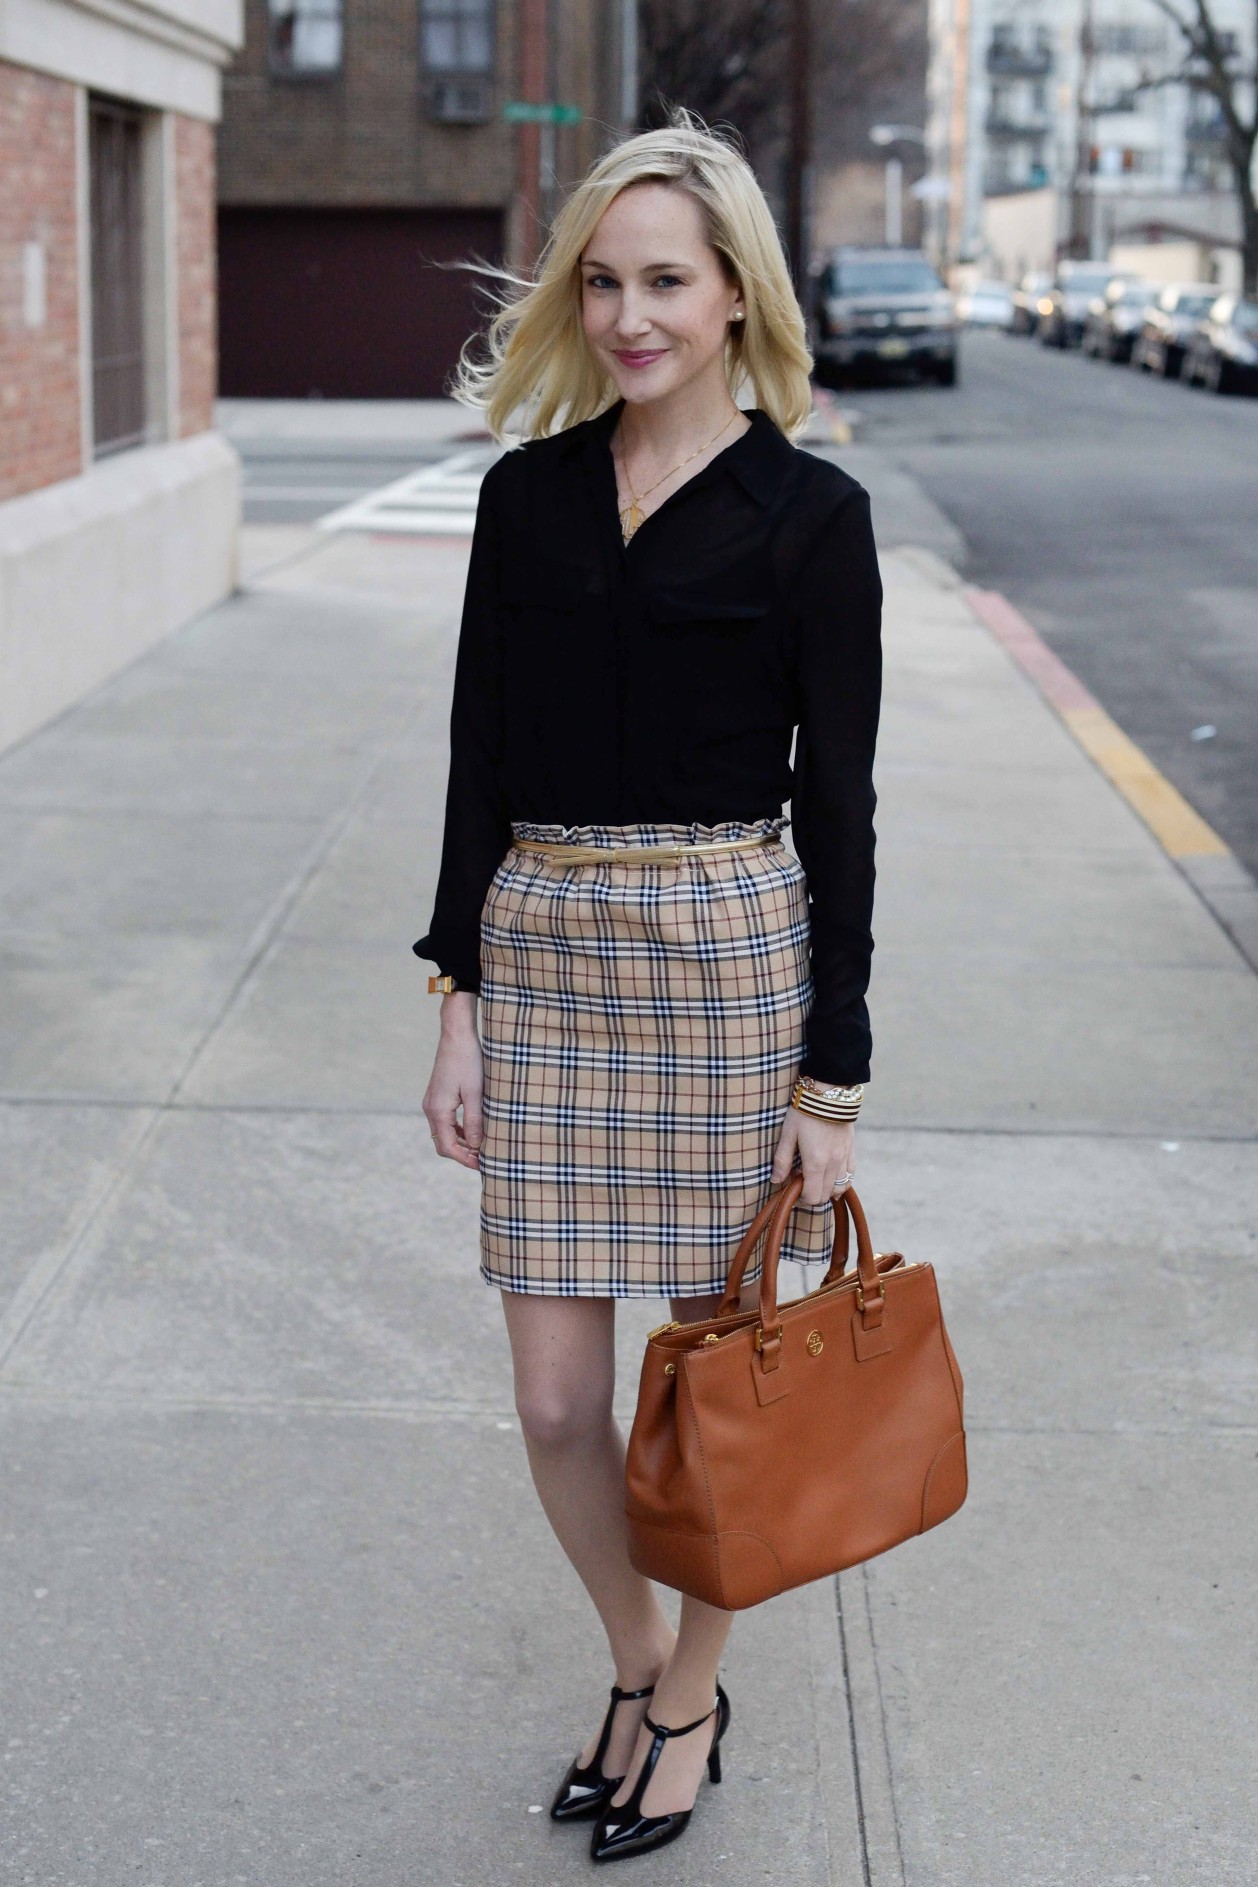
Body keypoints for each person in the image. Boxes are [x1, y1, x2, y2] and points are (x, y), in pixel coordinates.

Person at [415, 107, 882, 1866]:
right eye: (600, 282)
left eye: (664, 282)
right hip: (542, 957)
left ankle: (689, 1696)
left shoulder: (807, 516)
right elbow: (475, 754)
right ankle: (636, 1663)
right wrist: (451, 995)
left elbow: (836, 807)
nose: (628, 316)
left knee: (708, 1403)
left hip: (726, 968)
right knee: (553, 1400)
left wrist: (827, 1083)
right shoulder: (523, 495)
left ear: (733, 293)